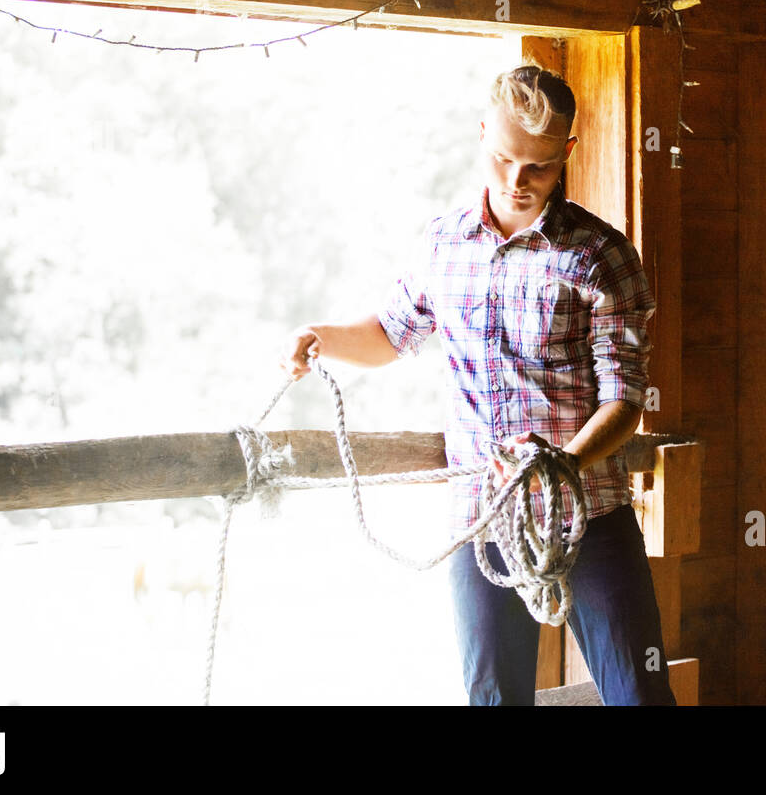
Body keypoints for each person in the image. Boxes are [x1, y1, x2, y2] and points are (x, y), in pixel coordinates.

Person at [280, 64, 675, 706]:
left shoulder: (602, 257)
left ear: (567, 154)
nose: (517, 182)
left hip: (591, 517)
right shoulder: (443, 246)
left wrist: (559, 466)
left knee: (640, 695)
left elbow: (624, 401)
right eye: (503, 158)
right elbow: (390, 331)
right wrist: (320, 336)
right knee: (493, 699)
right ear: (482, 133)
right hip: (482, 522)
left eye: (539, 168)